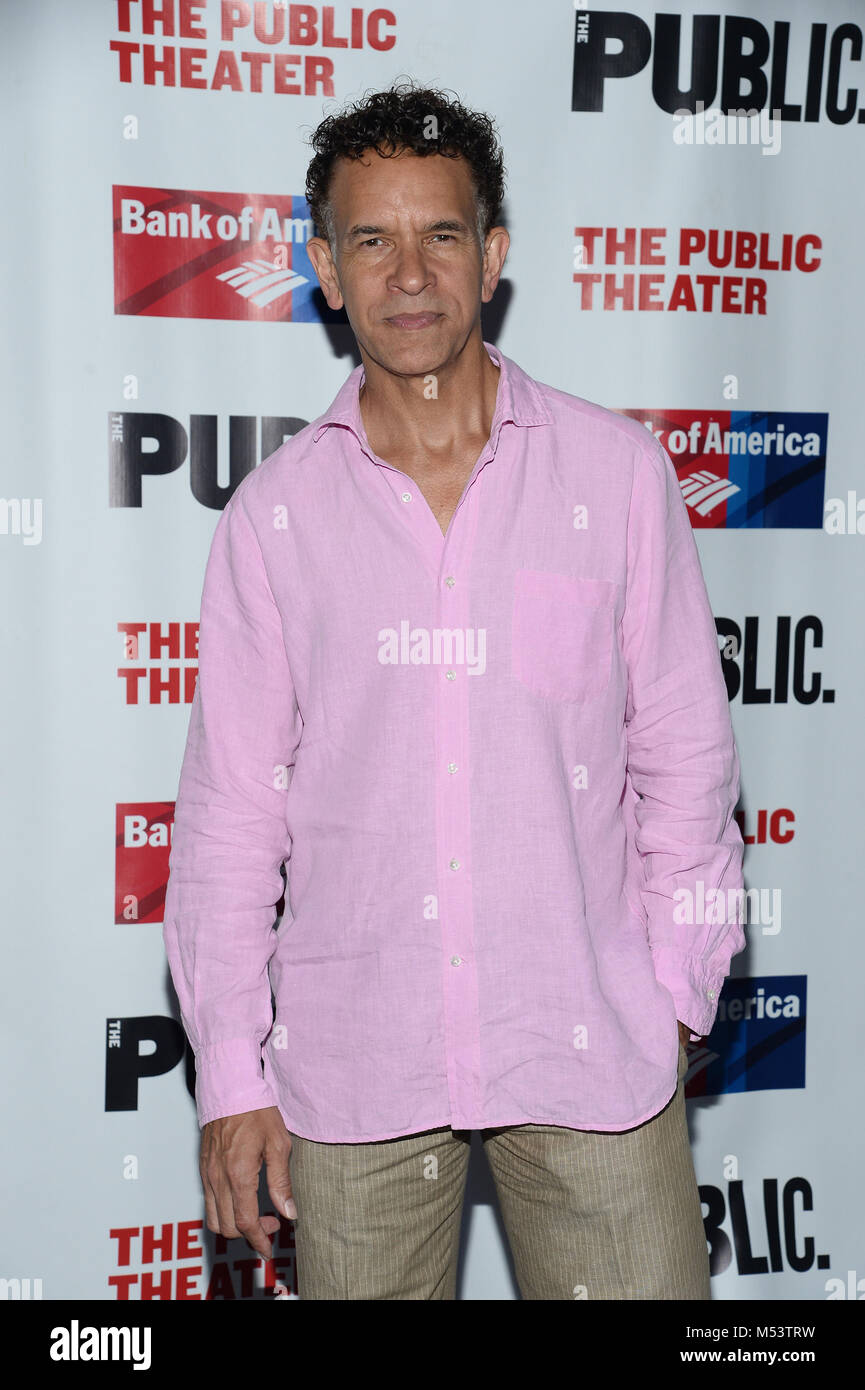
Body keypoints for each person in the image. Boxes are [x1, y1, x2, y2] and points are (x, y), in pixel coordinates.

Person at [163, 79, 746, 1301]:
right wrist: (232, 1078)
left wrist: (677, 994)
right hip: (353, 1071)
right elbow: (229, 820)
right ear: (323, 267)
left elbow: (684, 756)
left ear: (494, 257)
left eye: (440, 234)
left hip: (592, 1053)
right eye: (371, 238)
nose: (409, 272)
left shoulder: (618, 476)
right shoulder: (275, 522)